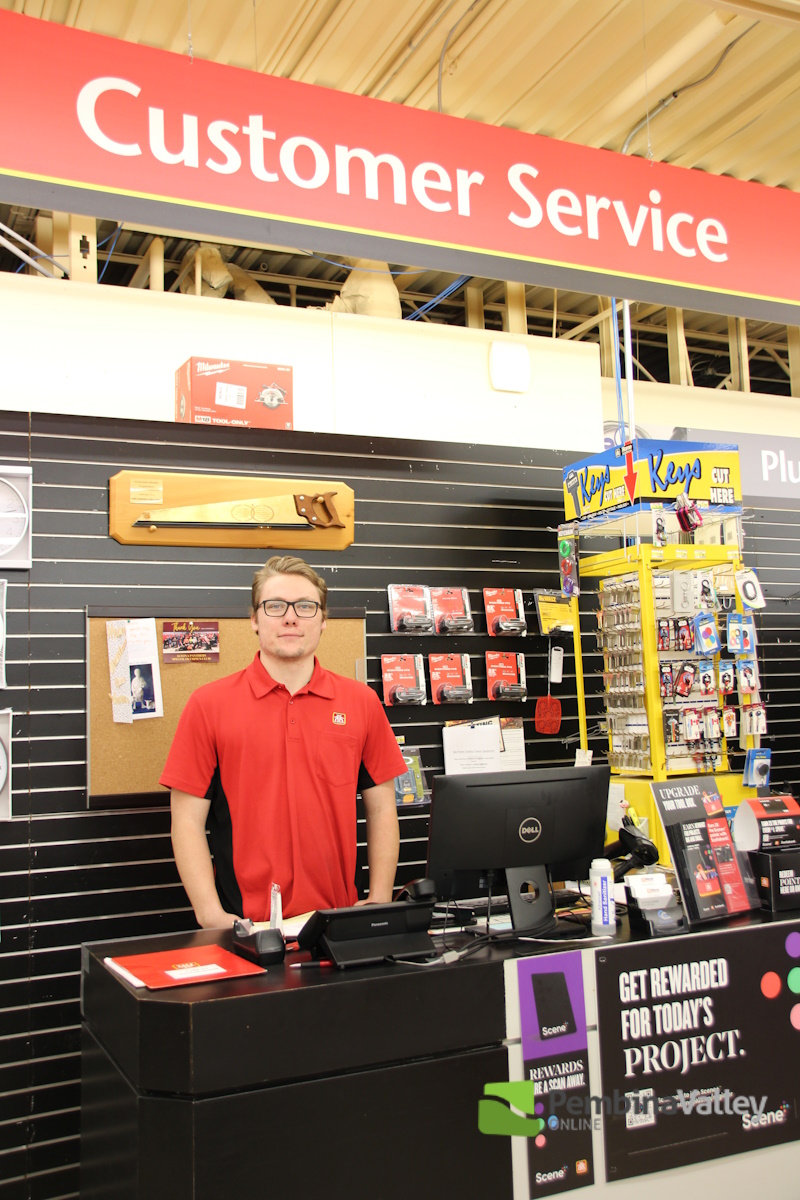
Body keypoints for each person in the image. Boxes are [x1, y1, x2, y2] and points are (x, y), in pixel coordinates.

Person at [160, 555, 405, 926]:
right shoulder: (208, 705)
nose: (291, 617)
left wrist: (380, 898)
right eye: (275, 606)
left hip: (338, 921)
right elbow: (187, 821)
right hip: (246, 924)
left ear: (323, 620)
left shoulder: (361, 702)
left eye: (306, 607)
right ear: (255, 619)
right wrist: (210, 914)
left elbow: (383, 808)